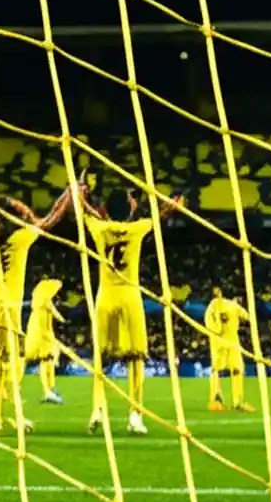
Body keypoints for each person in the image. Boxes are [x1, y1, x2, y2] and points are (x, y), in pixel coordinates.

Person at [82, 187, 184, 436]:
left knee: (99, 358)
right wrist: (175, 200)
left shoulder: (99, 228)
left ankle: (97, 408)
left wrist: (82, 194)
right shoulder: (138, 228)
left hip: (105, 296)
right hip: (129, 295)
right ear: (128, 208)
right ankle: (135, 415)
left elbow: (83, 210)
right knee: (136, 358)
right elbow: (164, 214)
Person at [0, 188, 73, 432]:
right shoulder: (21, 238)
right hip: (7, 306)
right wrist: (67, 196)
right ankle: (10, 415)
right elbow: (47, 220)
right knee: (10, 363)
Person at [204, 288, 253, 412]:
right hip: (228, 341)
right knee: (231, 370)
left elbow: (209, 325)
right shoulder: (233, 306)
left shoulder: (212, 307)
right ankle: (232, 401)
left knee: (224, 370)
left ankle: (221, 400)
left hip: (220, 341)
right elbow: (247, 317)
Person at [24, 277, 65, 404]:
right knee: (44, 360)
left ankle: (51, 388)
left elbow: (55, 313)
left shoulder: (44, 302)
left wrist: (62, 319)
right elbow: (49, 319)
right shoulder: (43, 304)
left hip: (45, 332)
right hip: (40, 333)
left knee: (49, 360)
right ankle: (47, 390)